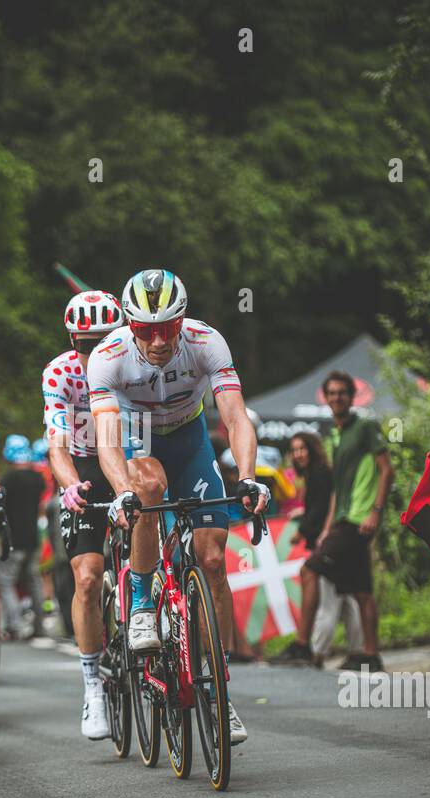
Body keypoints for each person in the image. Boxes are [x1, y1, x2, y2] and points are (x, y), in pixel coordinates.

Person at [89, 269, 267, 745]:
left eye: (166, 328)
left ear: (181, 322)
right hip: (137, 434)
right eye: (146, 331)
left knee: (212, 560)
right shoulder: (107, 356)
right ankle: (144, 599)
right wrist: (121, 487)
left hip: (190, 439)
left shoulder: (207, 341)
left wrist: (248, 477)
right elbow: (107, 441)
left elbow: (234, 416)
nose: (158, 341)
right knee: (148, 487)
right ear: (130, 326)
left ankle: (220, 694)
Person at [41, 290, 129, 737]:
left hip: (128, 458)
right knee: (88, 577)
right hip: (84, 465)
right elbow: (56, 443)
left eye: (104, 340)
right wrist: (69, 483)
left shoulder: (132, 361)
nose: (94, 352)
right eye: (85, 344)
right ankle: (93, 685)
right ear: (72, 340)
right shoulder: (60, 371)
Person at [303, 372, 394, 674]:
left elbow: (387, 470)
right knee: (361, 590)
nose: (337, 398)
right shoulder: (335, 434)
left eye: (342, 393)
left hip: (358, 520)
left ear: (351, 397)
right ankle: (370, 655)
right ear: (326, 398)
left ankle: (304, 647)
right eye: (332, 393)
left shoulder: (365, 427)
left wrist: (375, 512)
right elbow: (336, 491)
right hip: (342, 519)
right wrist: (327, 527)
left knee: (310, 568)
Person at [273, 431, 363, 667]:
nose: (298, 454)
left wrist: (303, 530)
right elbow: (319, 504)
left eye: (302, 449)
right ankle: (358, 651)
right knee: (345, 599)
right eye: (294, 450)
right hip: (337, 540)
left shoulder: (320, 474)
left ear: (312, 450)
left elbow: (322, 507)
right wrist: (303, 514)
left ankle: (313, 652)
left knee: (325, 595)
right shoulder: (318, 474)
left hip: (332, 542)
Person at [0, 434, 47, 640]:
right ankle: (39, 626)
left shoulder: (7, 480)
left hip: (12, 540)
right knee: (33, 580)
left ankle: (15, 625)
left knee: (5, 581)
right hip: (33, 539)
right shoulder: (37, 479)